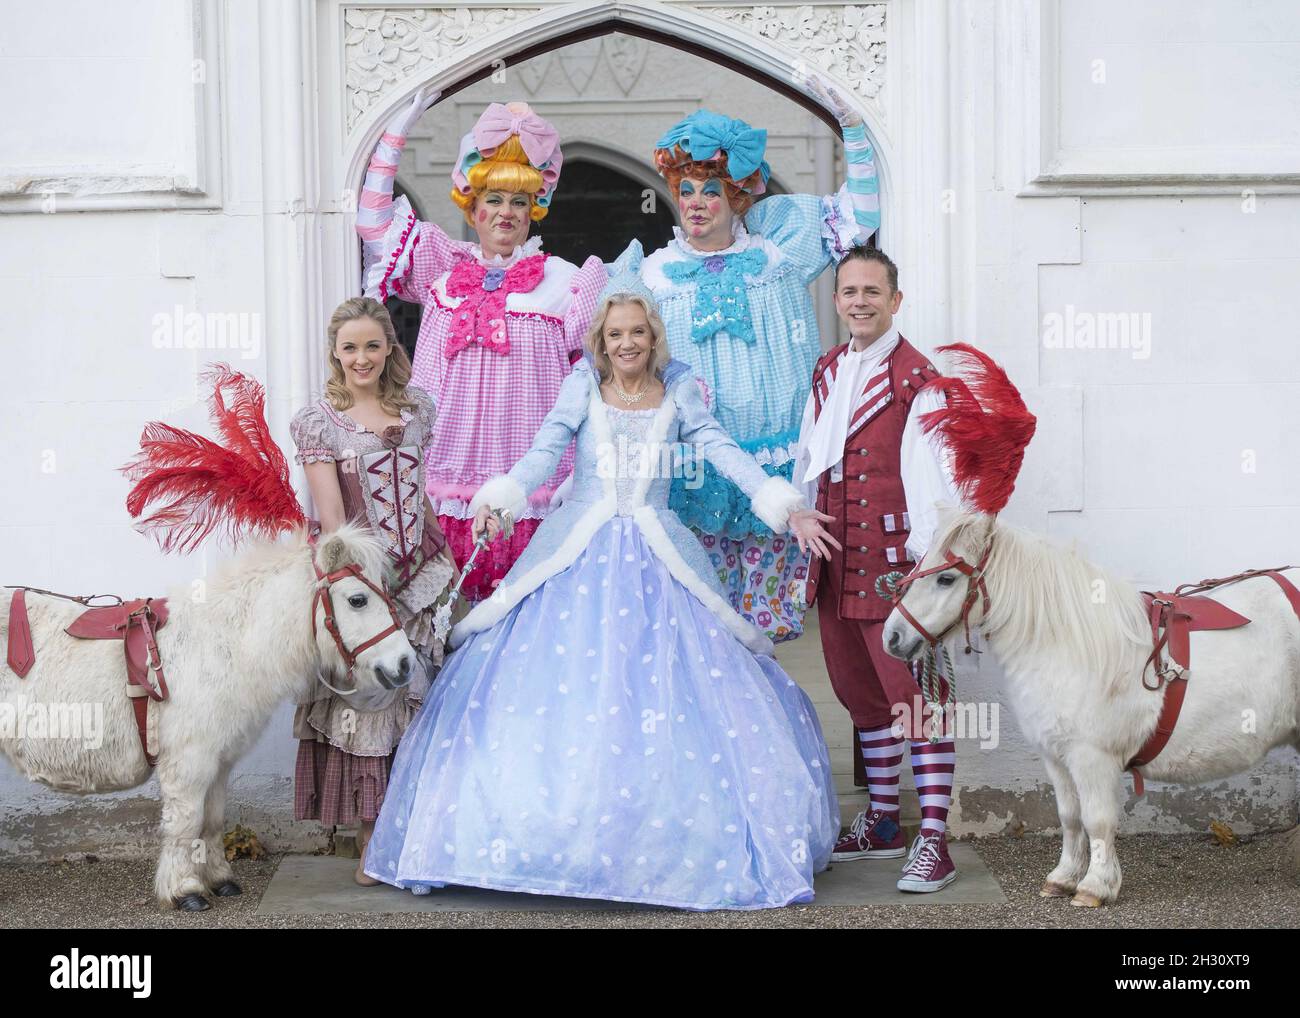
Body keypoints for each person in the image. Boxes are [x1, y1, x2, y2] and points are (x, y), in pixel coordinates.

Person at [363, 273, 843, 910]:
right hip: (576, 550)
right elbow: (545, 452)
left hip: (661, 555)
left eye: (637, 332)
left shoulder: (680, 389)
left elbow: (723, 450)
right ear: (601, 339)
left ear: (653, 336)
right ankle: (545, 838)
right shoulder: (582, 385)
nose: (627, 343)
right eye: (616, 333)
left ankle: (654, 839)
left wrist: (784, 504)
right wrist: (503, 497)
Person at [611, 79, 881, 646]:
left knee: (766, 629)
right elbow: (618, 367)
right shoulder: (652, 276)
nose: (696, 202)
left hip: (777, 465)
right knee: (700, 623)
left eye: (710, 190)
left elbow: (860, 214)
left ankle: (762, 702)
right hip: (695, 469)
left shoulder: (777, 254)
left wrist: (854, 128)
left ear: (736, 198)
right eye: (686, 190)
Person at [357, 88, 606, 601]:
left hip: (530, 486)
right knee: (442, 620)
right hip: (440, 480)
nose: (505, 213)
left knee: (528, 616)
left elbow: (595, 384)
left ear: (535, 209)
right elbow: (373, 223)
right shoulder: (442, 267)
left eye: (519, 201)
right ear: (472, 207)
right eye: (493, 199)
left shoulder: (567, 282)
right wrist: (395, 129)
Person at [793, 246, 962, 893]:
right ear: (837, 301)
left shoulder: (918, 377)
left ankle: (935, 839)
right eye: (849, 291)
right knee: (860, 694)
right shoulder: (828, 368)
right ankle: (885, 820)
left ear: (895, 300)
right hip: (837, 562)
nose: (859, 301)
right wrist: (798, 514)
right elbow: (809, 455)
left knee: (918, 701)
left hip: (896, 568)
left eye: (872, 291)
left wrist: (929, 568)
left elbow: (932, 479)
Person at [288, 296, 460, 886]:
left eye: (371, 345)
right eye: (349, 348)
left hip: (426, 574)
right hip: (368, 584)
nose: (361, 358)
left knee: (420, 701)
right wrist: (366, 589)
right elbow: (334, 522)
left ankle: (422, 837)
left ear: (389, 348)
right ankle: (372, 844)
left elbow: (420, 497)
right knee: (372, 707)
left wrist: (439, 565)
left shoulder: (417, 409)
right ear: (335, 354)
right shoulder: (320, 421)